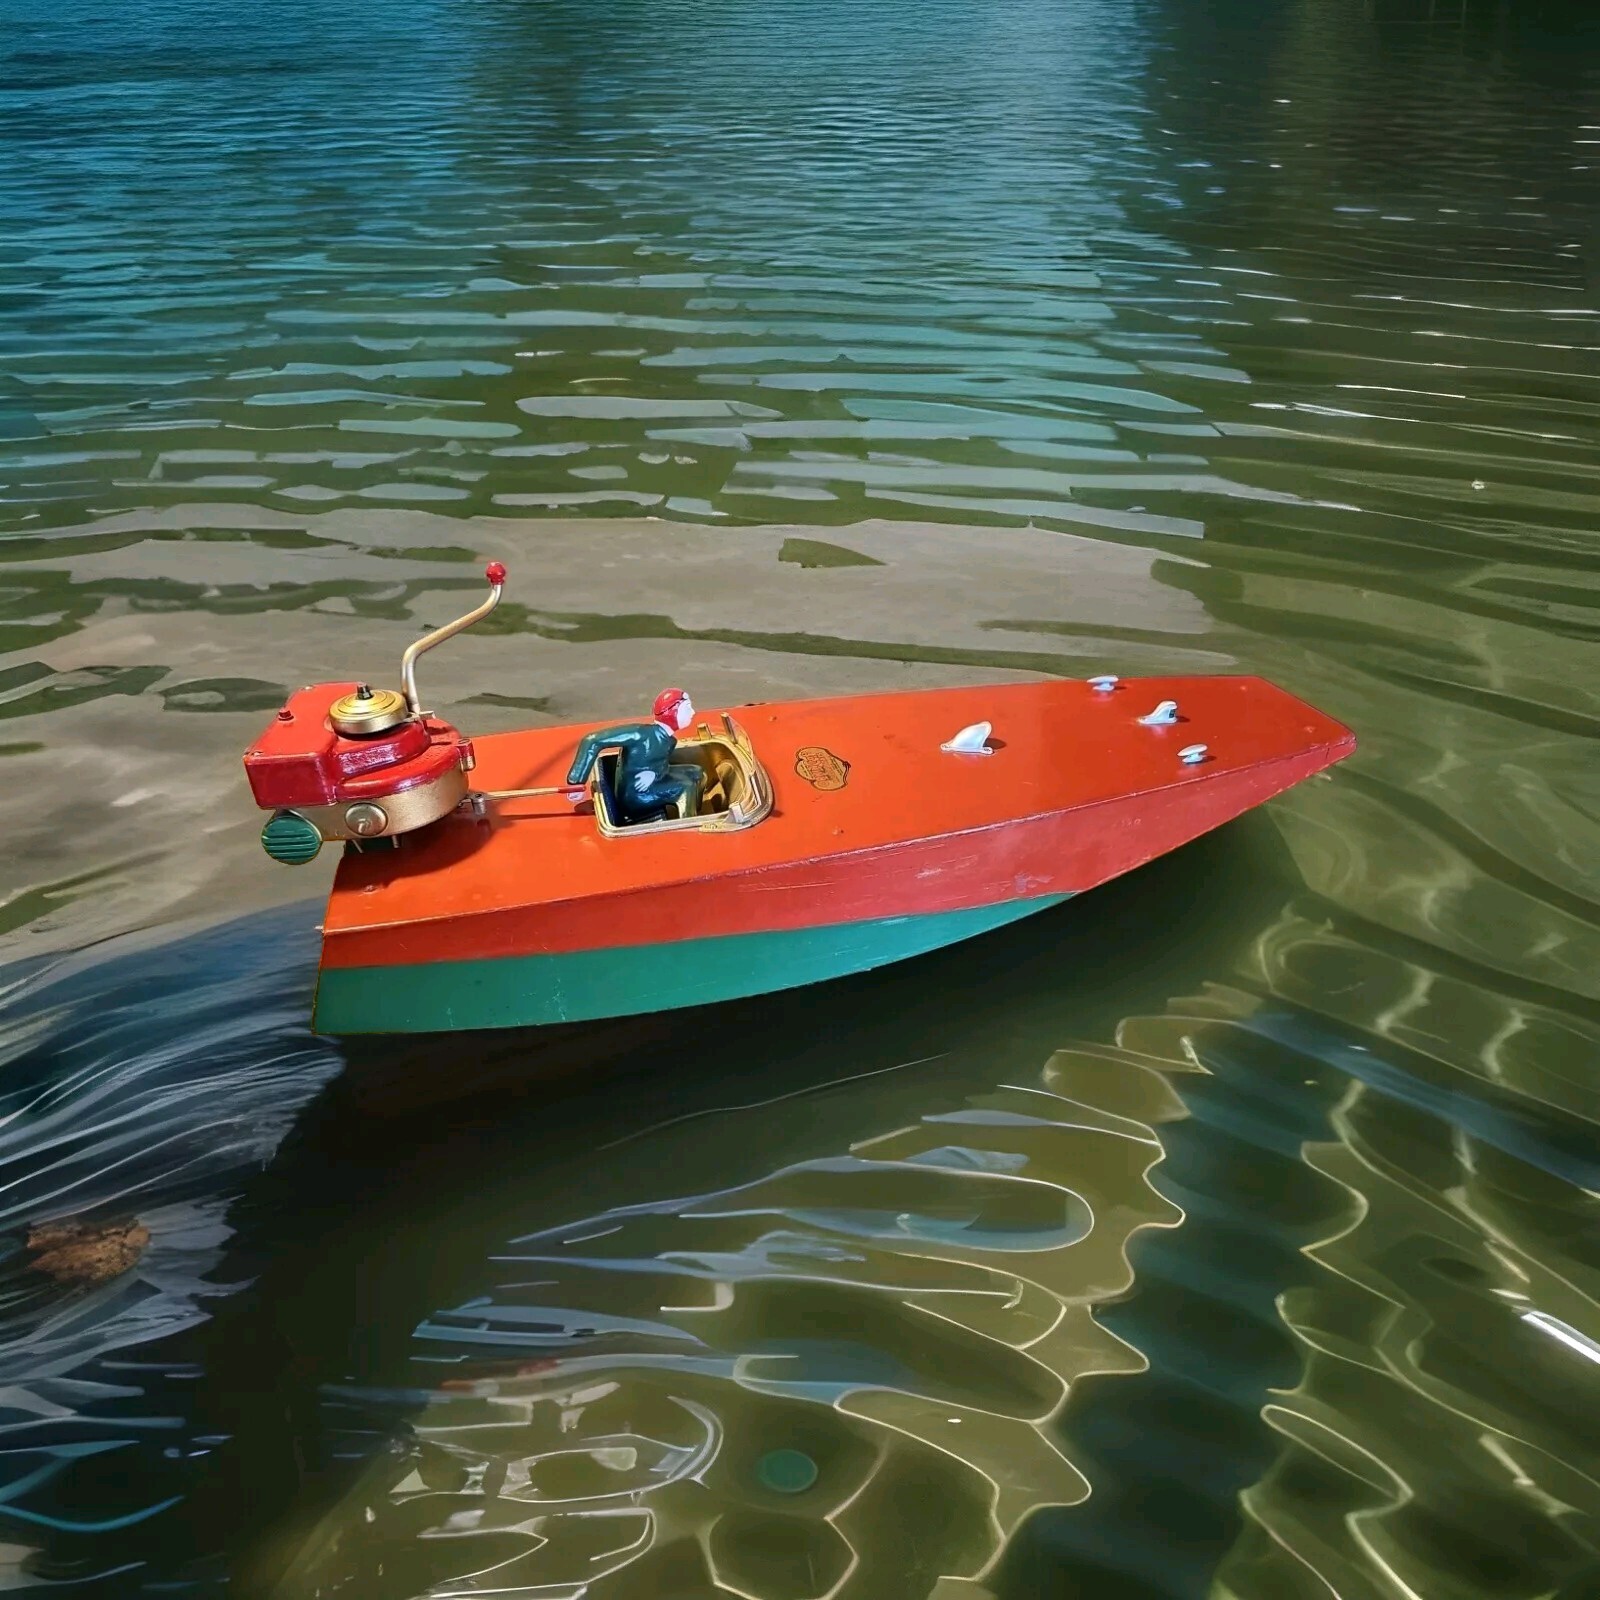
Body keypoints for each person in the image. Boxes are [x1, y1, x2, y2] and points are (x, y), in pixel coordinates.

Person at [566, 687, 706, 825]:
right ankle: (688, 828)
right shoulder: (639, 734)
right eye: (687, 708)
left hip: (654, 781)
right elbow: (592, 740)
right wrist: (576, 783)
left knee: (697, 772)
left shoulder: (669, 740)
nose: (693, 712)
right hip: (636, 795)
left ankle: (696, 810)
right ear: (672, 713)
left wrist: (654, 775)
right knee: (686, 787)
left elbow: (659, 766)